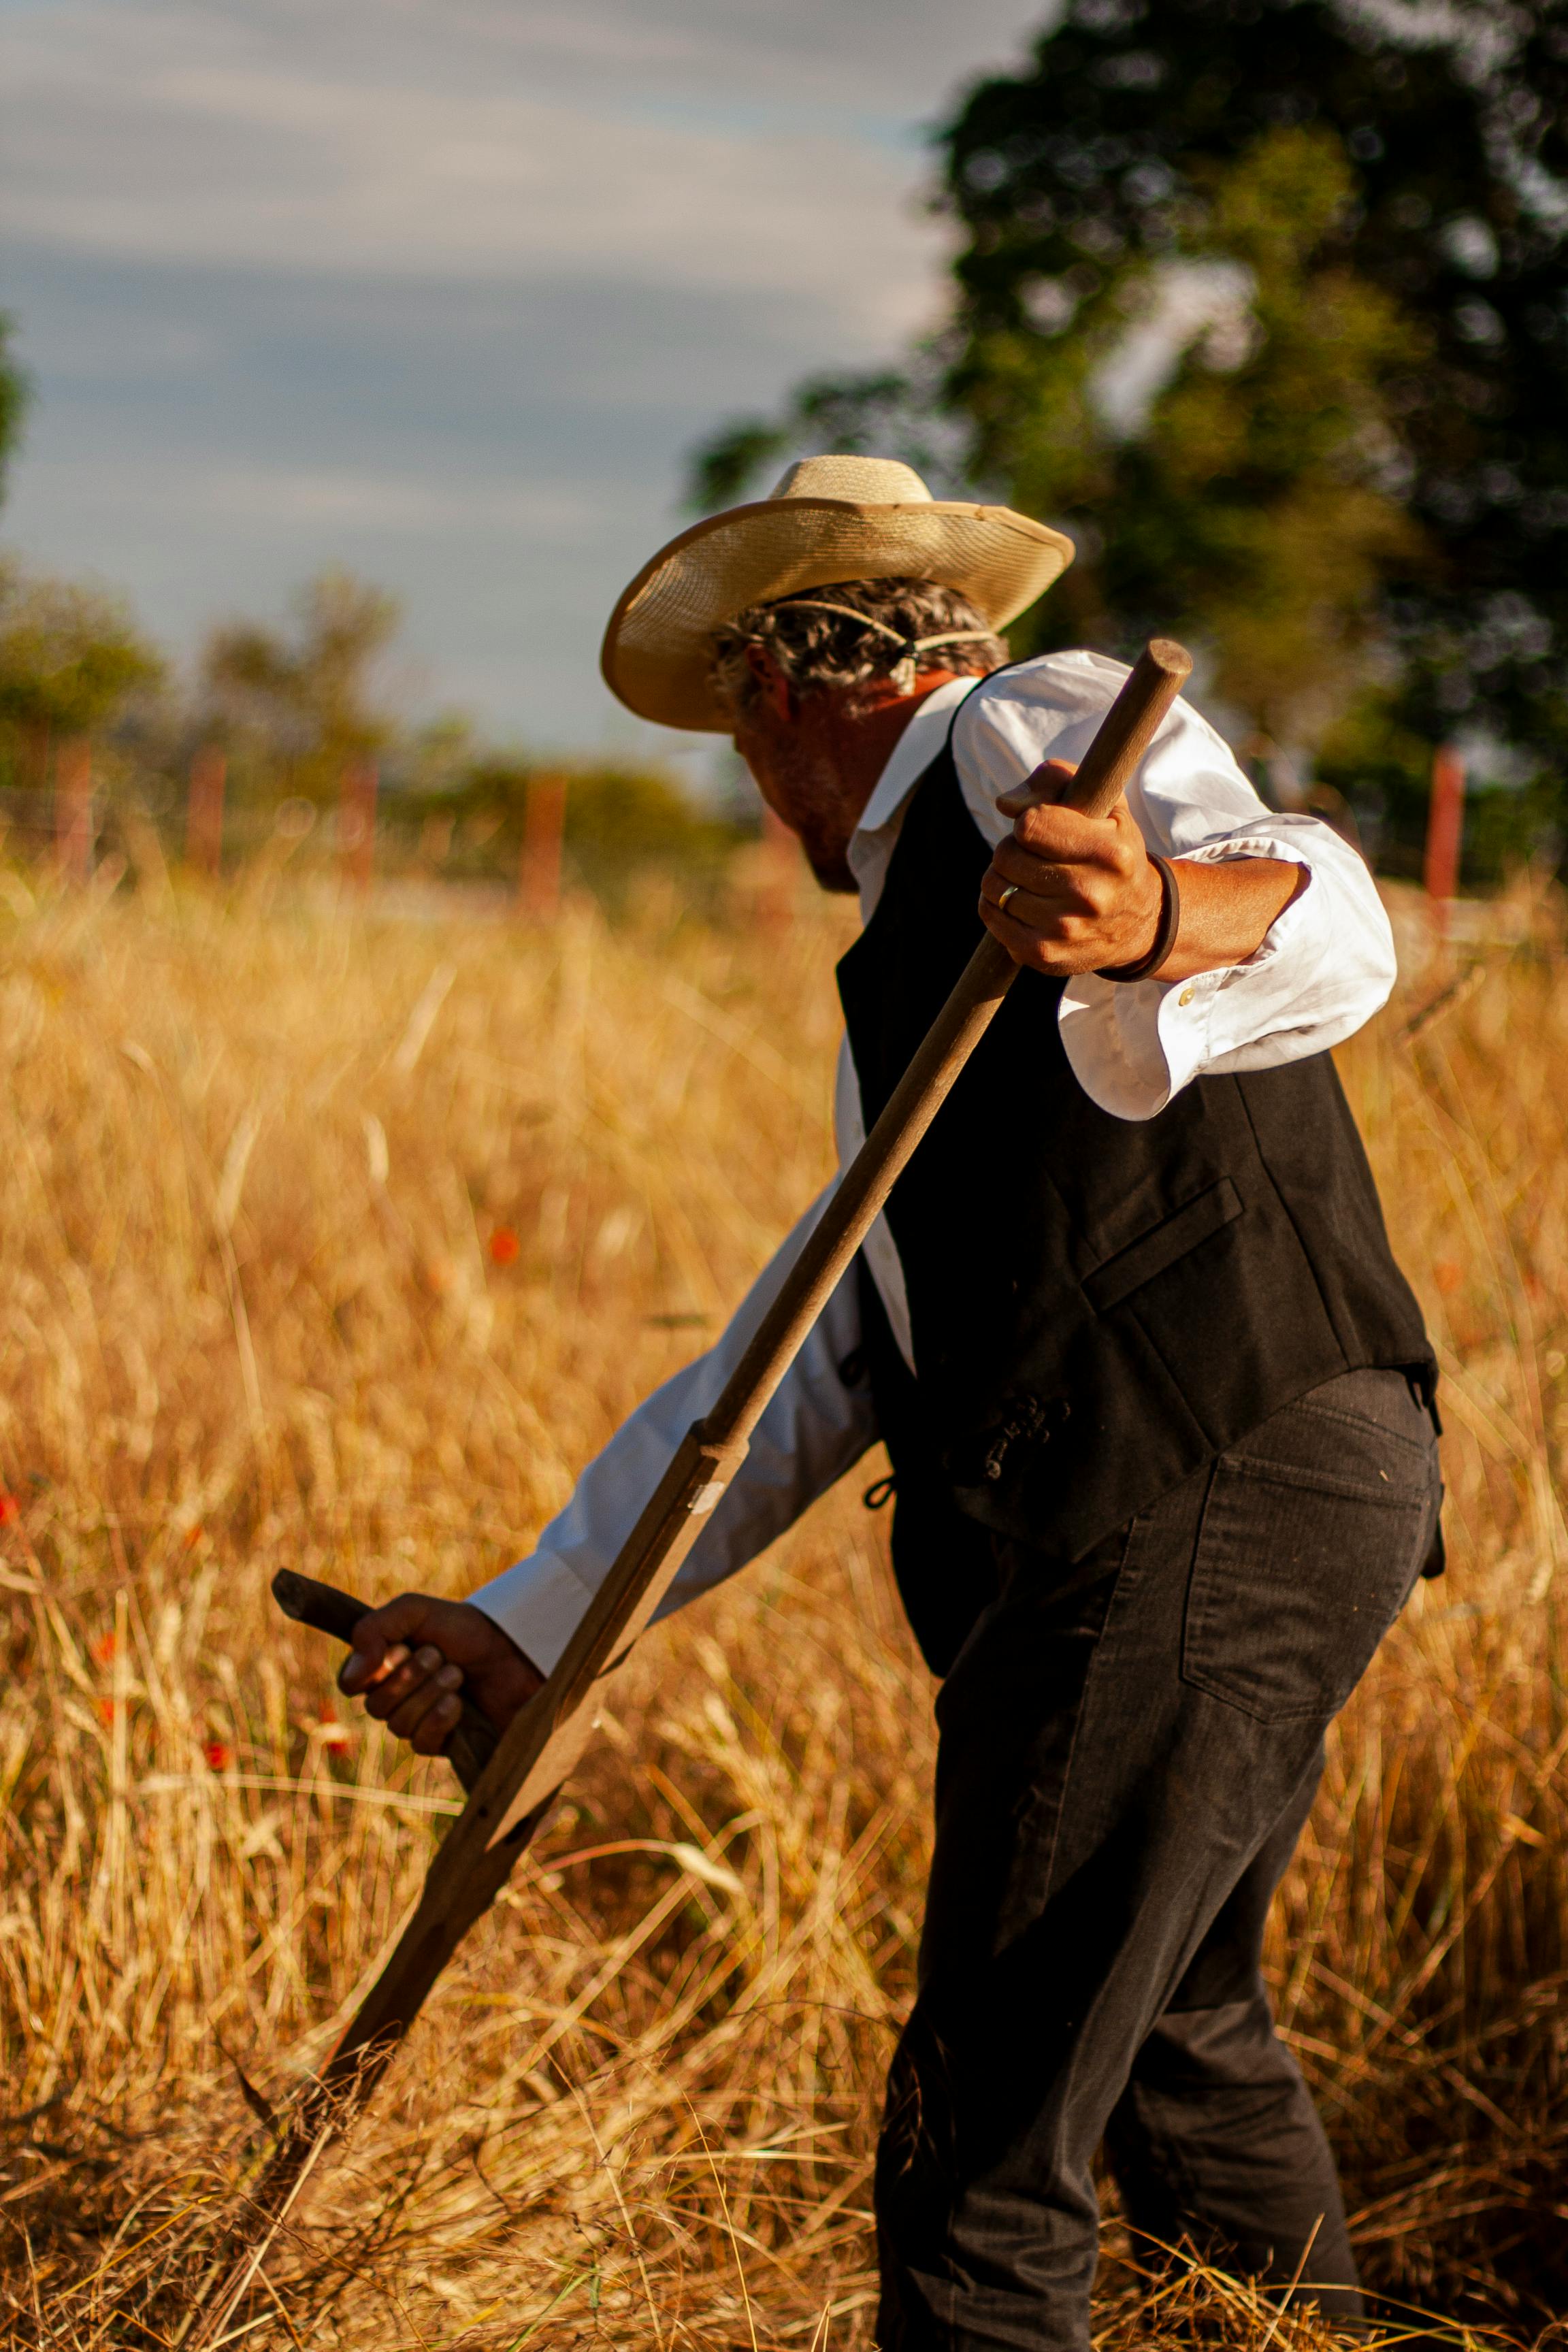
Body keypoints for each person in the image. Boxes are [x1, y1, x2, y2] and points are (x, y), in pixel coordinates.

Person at [338, 457, 1442, 2350]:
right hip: (1283, 1475)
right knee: (1175, 2039)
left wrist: (1161, 911)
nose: (750, 784)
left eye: (735, 737)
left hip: (1187, 1485)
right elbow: (811, 1348)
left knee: (978, 2149)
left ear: (777, 698)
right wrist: (537, 1622)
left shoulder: (1027, 729)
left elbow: (1333, 904)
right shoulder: (924, 948)